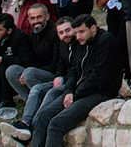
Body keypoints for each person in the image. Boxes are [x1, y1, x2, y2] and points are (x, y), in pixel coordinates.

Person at [27, 13, 118, 147]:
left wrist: (75, 94)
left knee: (56, 124)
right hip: (78, 91)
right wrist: (69, 91)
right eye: (77, 33)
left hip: (99, 93)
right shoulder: (82, 42)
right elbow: (73, 71)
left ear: (93, 28)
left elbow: (99, 76)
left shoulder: (105, 41)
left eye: (82, 31)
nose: (78, 36)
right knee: (43, 116)